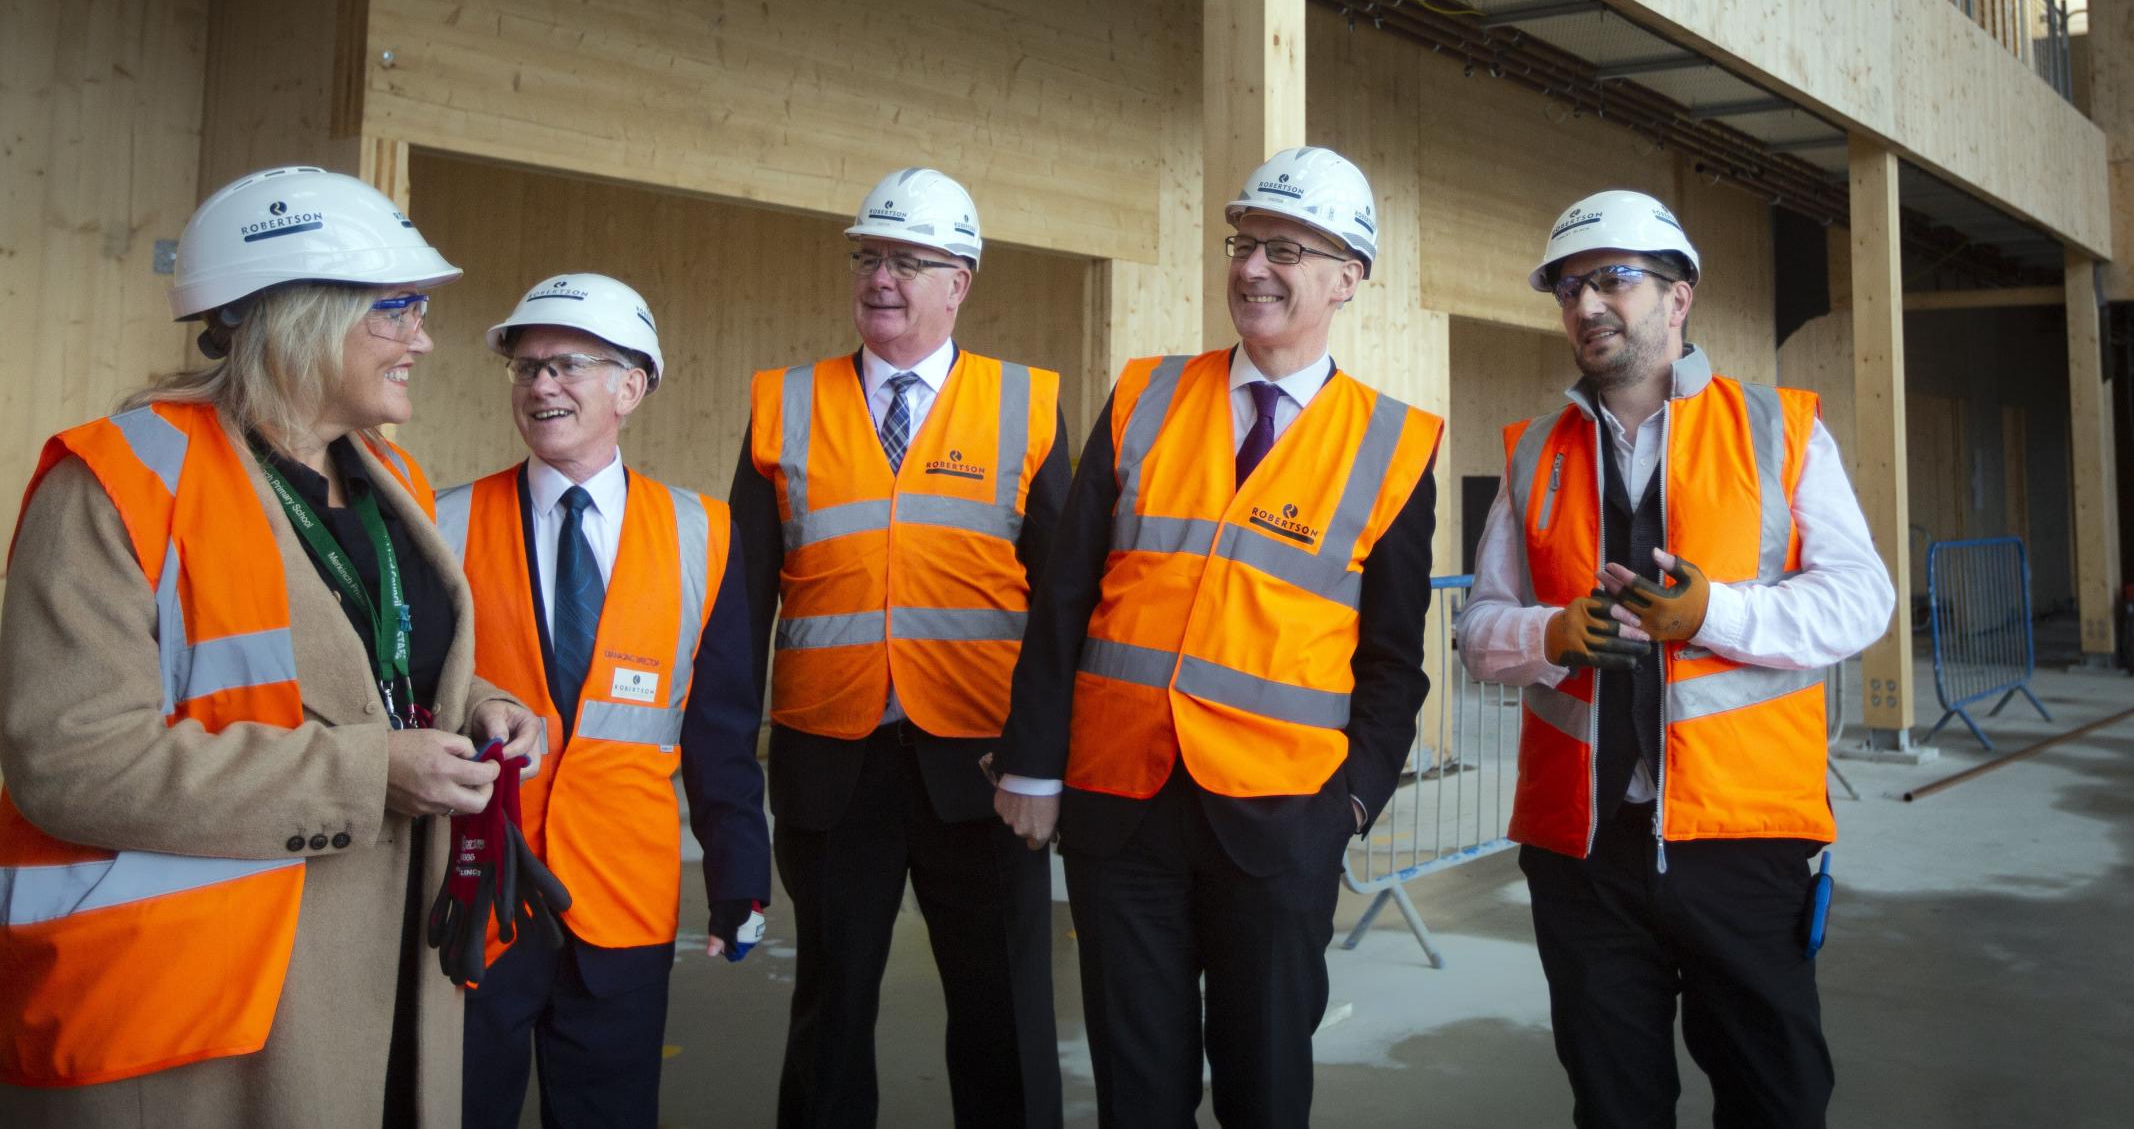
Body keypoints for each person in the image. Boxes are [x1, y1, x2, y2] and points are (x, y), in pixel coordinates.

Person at [0, 165, 542, 1128]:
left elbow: (366, 668)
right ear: (302, 314)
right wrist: (367, 773)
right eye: (396, 309)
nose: (423, 338)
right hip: (200, 1012)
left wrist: (478, 703)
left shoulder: (391, 476)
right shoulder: (116, 481)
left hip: (389, 977)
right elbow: (72, 762)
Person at [995, 146, 1445, 1129]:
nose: (1253, 267)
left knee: (1265, 1087)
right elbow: (1065, 594)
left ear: (1347, 279)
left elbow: (1393, 661)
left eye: (1286, 249)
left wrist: (1352, 802)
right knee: (1135, 1090)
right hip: (1121, 811)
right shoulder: (1146, 396)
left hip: (1281, 825)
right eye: (1244, 243)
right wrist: (1032, 763)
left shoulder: (1394, 446)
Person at [1456, 189, 1896, 1129]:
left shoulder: (1776, 429)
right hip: (1585, 853)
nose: (1586, 304)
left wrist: (1712, 613)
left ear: (1679, 295)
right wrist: (1548, 634)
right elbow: (1478, 630)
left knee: (1777, 1103)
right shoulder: (1535, 454)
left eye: (1613, 279)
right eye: (1569, 288)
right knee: (1615, 1108)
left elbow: (1865, 598)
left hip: (1743, 841)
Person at [731, 167, 1071, 1129]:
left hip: (986, 770)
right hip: (830, 767)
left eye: (908, 261)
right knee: (830, 1015)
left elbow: (1064, 608)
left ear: (959, 281)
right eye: (869, 256)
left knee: (1004, 1015)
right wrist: (724, 771)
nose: (881, 277)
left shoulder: (1027, 404)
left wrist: (1046, 763)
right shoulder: (784, 403)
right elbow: (740, 604)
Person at [434, 273, 770, 1129]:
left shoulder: (704, 533)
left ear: (631, 387)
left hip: (623, 897)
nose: (541, 383)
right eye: (526, 366)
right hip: (479, 893)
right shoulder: (444, 524)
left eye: (567, 365)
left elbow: (721, 727)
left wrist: (739, 875)